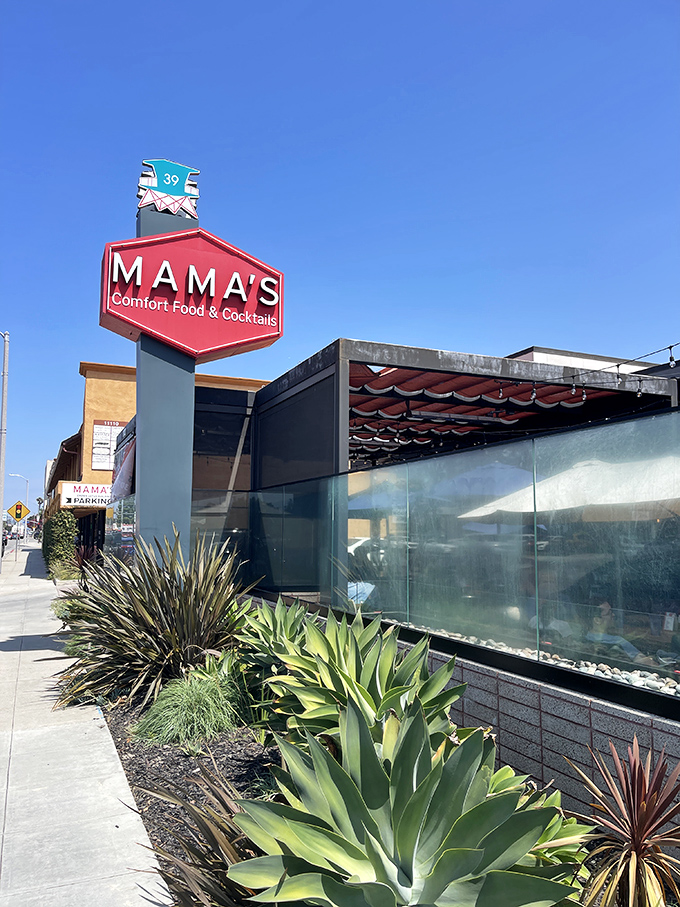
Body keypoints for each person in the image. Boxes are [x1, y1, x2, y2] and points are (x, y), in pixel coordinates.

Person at [586, 600, 655, 665]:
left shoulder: (587, 636)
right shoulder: (618, 641)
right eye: (609, 613)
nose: (613, 615)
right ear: (597, 620)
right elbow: (642, 661)